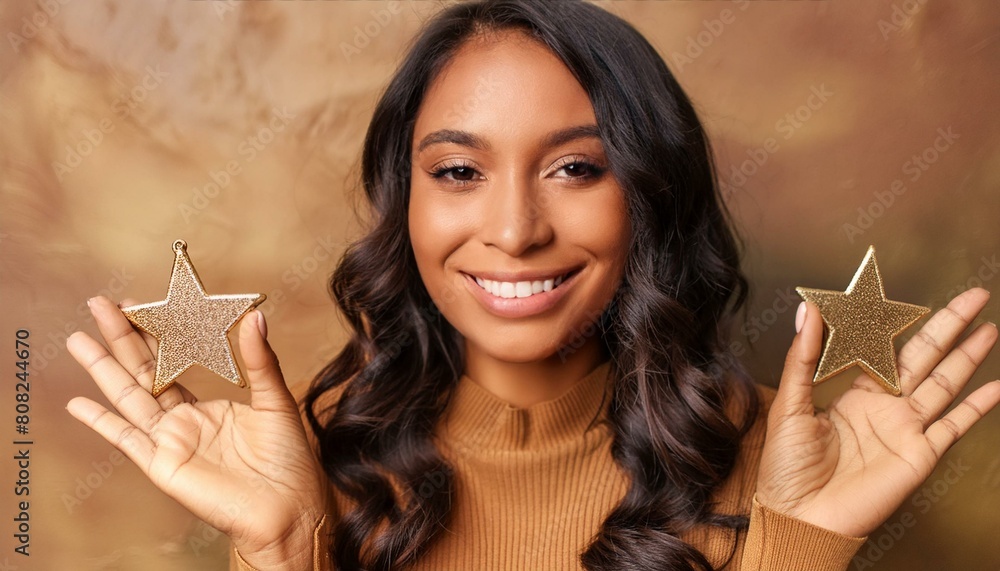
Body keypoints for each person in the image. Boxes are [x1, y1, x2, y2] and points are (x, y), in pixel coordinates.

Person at [65, 1, 1000, 570]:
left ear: (651, 194)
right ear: (405, 206)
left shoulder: (779, 462)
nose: (514, 232)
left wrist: (800, 544)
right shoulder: (303, 469)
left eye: (577, 169)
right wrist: (282, 549)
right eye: (459, 173)